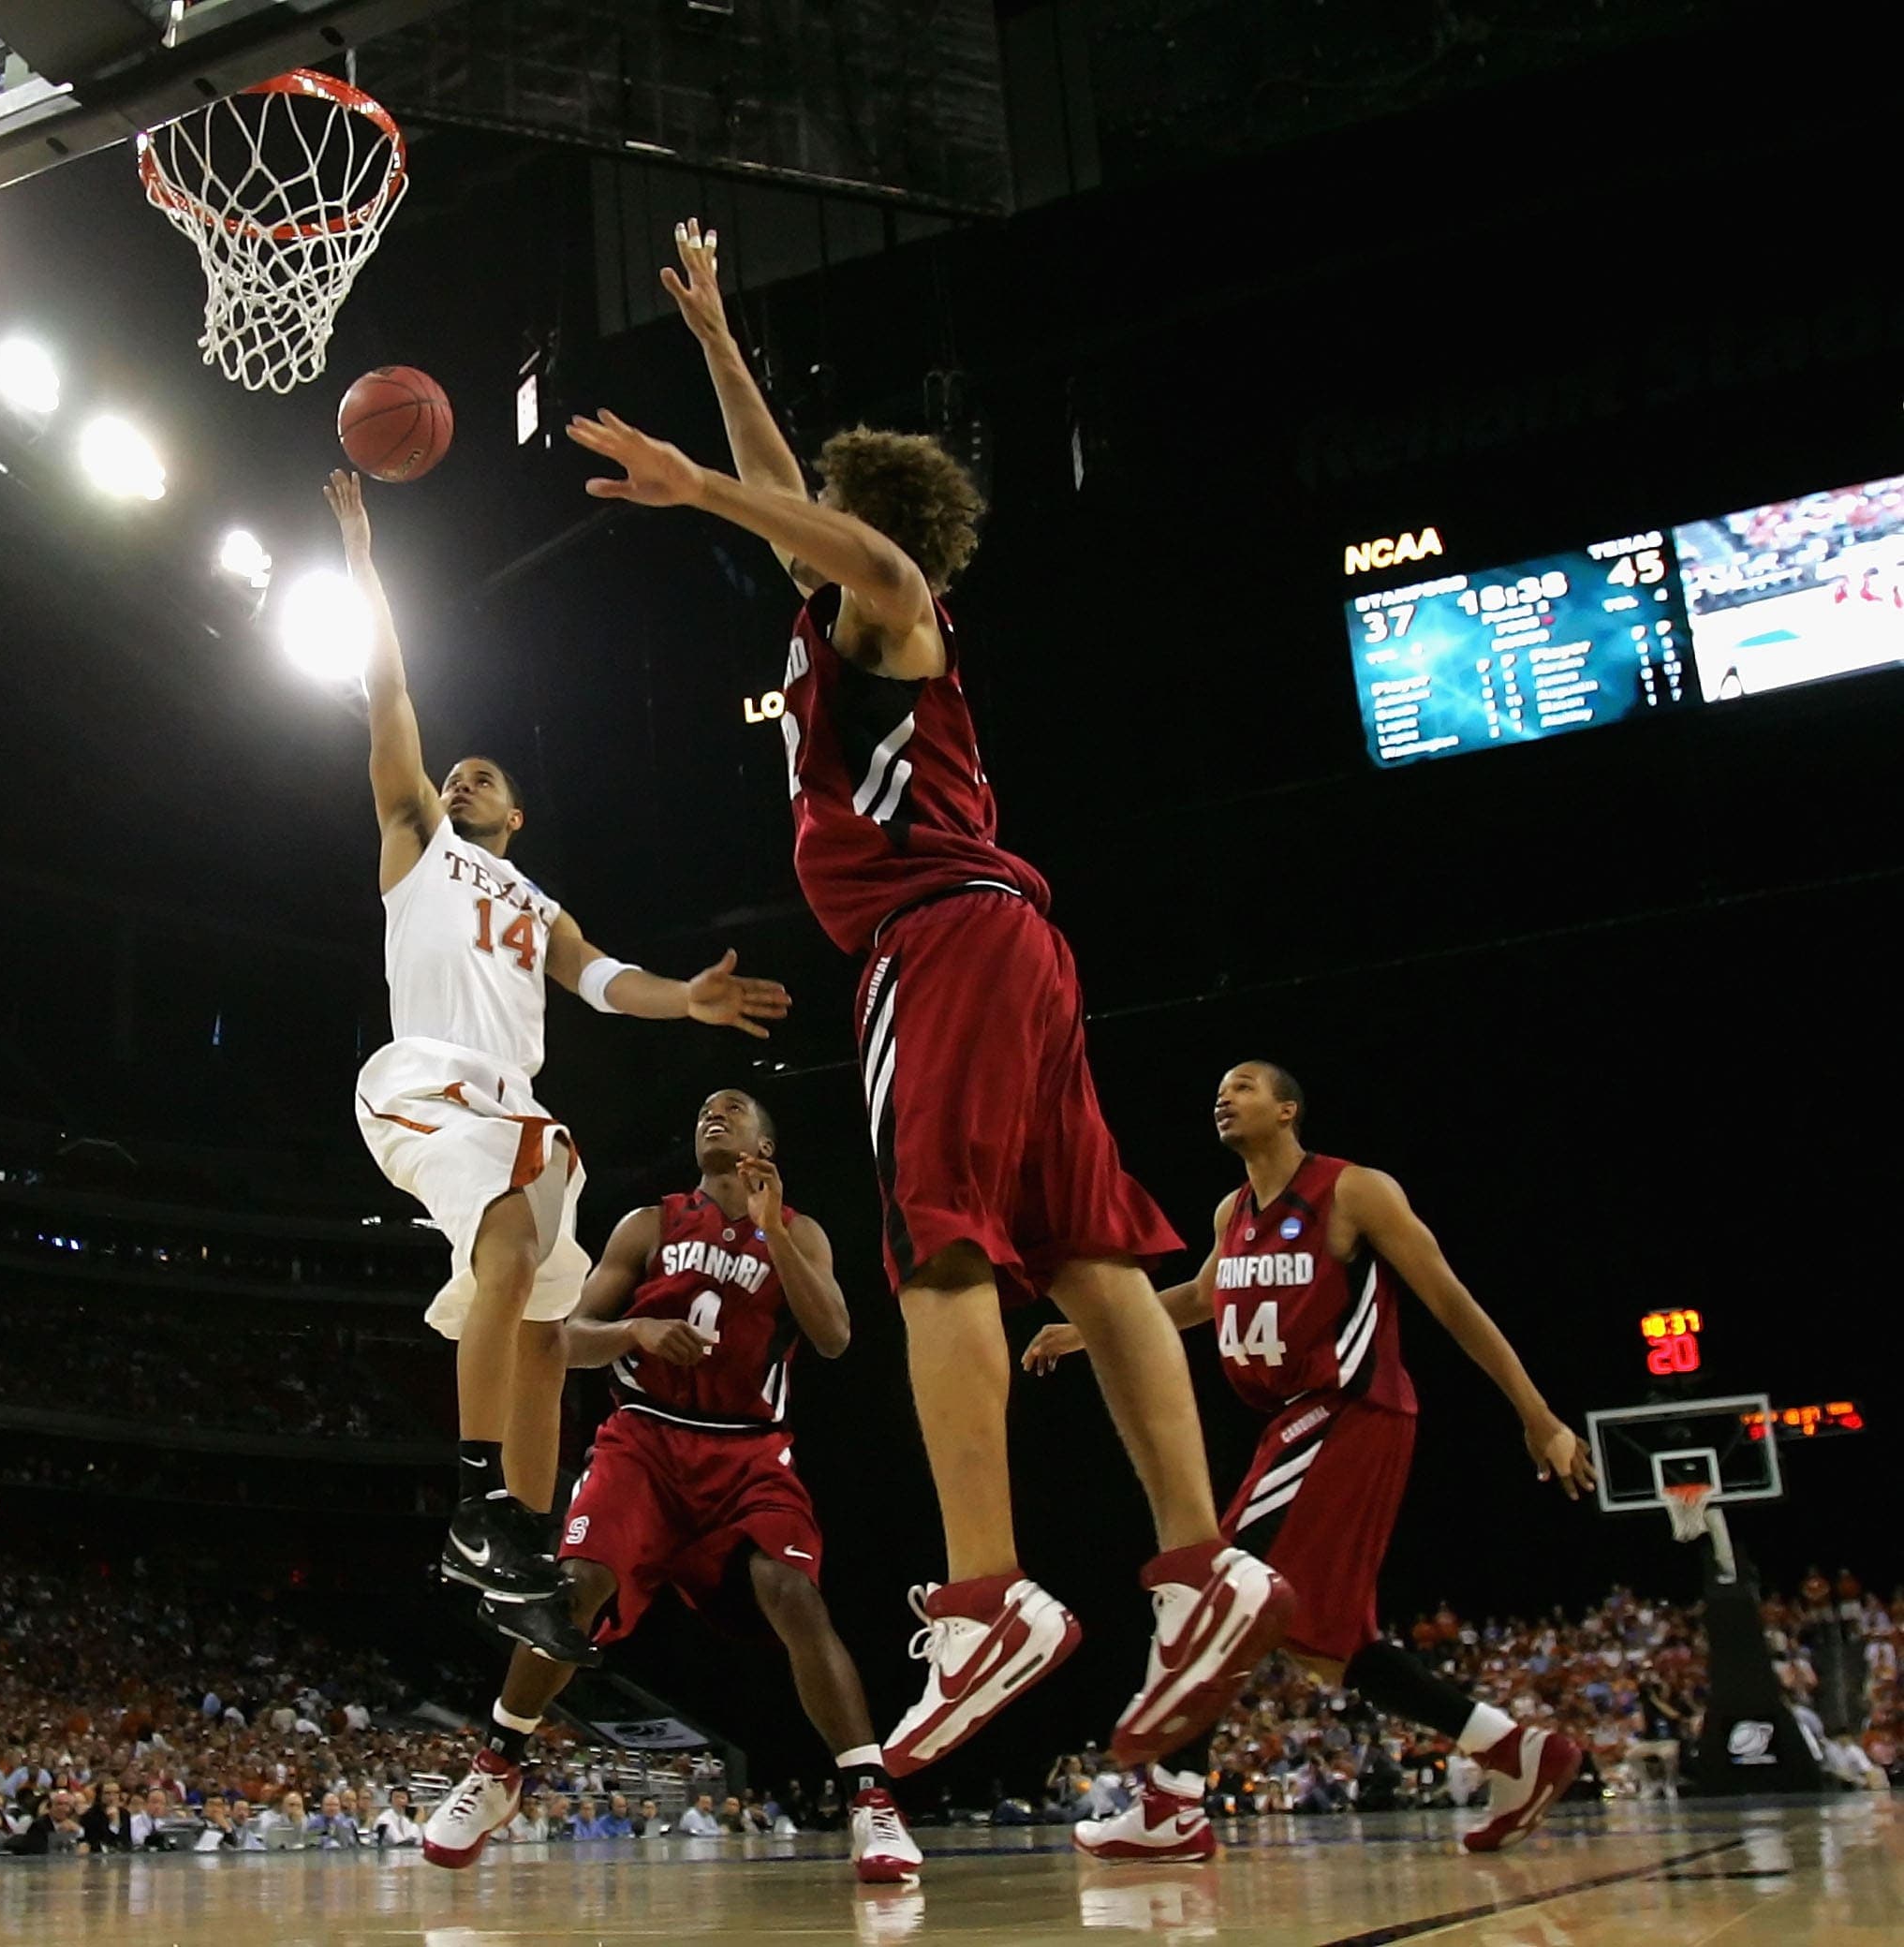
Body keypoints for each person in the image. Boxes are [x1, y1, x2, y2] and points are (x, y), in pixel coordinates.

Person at [568, 219, 1291, 1777]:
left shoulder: (890, 602)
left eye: (818, 514)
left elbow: (860, 545)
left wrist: (695, 480)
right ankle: (1197, 1555)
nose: (802, 527)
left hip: (940, 950)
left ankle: (989, 1594)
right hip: (1015, 941)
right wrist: (713, 349)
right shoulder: (847, 614)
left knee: (942, 1246)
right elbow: (809, 520)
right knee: (1093, 1251)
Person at [326, 469, 790, 1669]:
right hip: (427, 1079)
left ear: (519, 816)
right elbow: (387, 693)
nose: (465, 776)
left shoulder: (536, 900)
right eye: (456, 769)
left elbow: (601, 979)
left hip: (516, 1105)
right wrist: (367, 566)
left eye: (489, 774)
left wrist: (683, 999)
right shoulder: (412, 842)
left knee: (537, 1318)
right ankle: (481, 1498)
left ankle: (522, 1538)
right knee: (514, 1249)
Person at [1026, 1062, 1598, 1859]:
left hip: (1350, 1410)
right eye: (1219, 1086)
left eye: (1246, 1084)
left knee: (1206, 1582)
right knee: (1327, 1642)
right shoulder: (1233, 1211)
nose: (1224, 1094)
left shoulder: (1355, 1191)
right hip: (1296, 1419)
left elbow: (1449, 1295)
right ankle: (1517, 1751)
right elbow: (1198, 1296)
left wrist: (1536, 1414)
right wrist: (1088, 1331)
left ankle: (1170, 1804)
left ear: (1289, 1109)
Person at [421, 1091, 921, 1884]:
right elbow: (562, 1340)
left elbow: (834, 1335)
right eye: (703, 1111)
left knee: (793, 1593)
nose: (711, 1116)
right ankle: (496, 1767)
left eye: (733, 1109)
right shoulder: (648, 1224)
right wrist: (635, 1330)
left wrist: (773, 1229)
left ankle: (870, 1798)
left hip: (748, 1450)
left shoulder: (801, 1232)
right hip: (645, 1438)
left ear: (769, 1139)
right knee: (576, 1585)